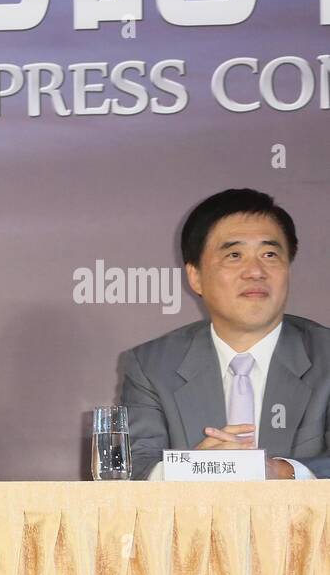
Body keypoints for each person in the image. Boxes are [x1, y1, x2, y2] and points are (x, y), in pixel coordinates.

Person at [120, 188, 330, 480]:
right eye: (234, 255)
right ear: (195, 277)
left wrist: (284, 471)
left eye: (270, 254)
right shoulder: (151, 366)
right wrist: (196, 468)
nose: (255, 271)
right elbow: (136, 469)